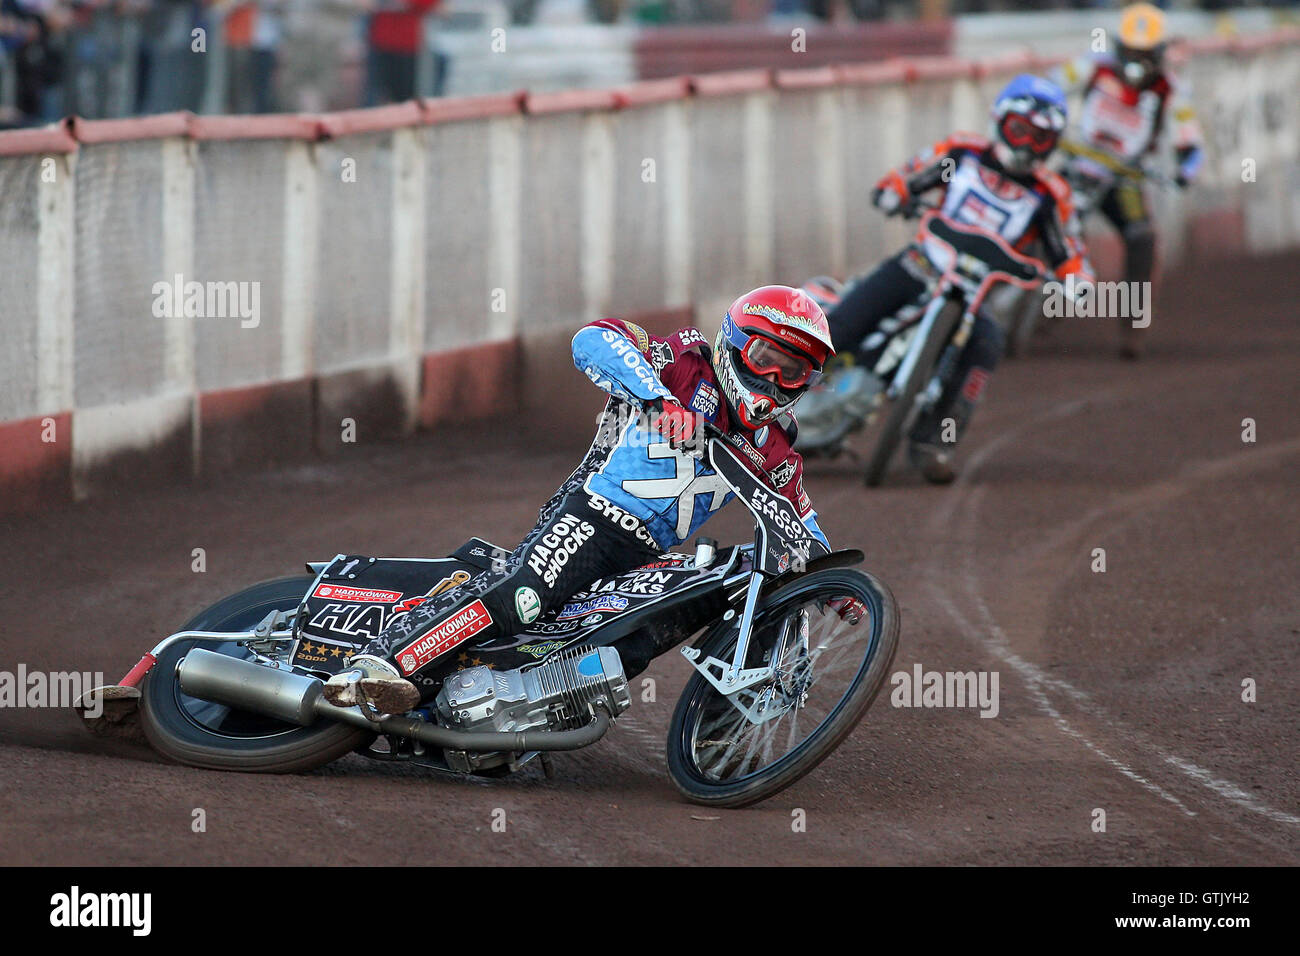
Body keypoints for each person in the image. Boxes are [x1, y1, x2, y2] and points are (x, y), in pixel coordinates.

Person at [323, 286, 847, 716]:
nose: (776, 380)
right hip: (592, 516)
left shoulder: (775, 448)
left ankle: (711, 739)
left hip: (649, 558)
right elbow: (593, 339)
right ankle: (380, 667)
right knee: (525, 595)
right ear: (732, 344)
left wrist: (832, 583)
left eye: (794, 372)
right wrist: (658, 401)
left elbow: (799, 521)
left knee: (634, 642)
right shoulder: (686, 363)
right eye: (766, 359)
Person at [799, 74, 1093, 485]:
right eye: (1020, 130)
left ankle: (932, 445)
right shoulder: (962, 153)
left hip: (974, 297)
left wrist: (1077, 279)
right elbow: (910, 175)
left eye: (1040, 139)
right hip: (919, 265)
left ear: (1054, 144)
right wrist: (893, 192)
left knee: (987, 345)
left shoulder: (1050, 194)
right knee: (838, 326)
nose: (1026, 144)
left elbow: (1067, 248)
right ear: (999, 121)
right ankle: (762, 398)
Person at [1050, 1, 1205, 358]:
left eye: (1145, 53)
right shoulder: (1092, 64)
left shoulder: (1173, 90)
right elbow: (1053, 85)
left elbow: (1190, 141)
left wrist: (1186, 170)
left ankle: (1132, 329)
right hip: (1078, 161)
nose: (1136, 62)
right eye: (1130, 51)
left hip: (1125, 177)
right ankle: (1023, 296)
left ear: (1160, 51)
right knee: (1038, 210)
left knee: (1142, 238)